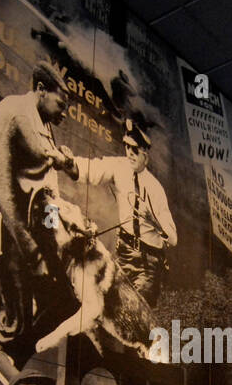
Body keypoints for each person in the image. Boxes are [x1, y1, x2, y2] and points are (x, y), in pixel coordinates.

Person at [0, 63, 79, 350]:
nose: (64, 113)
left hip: (40, 232)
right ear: (40, 90)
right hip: (15, 232)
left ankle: (8, 370)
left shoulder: (44, 123)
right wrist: (31, 249)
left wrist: (56, 237)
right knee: (15, 324)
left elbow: (47, 187)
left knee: (65, 304)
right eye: (61, 104)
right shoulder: (12, 112)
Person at [74, 120, 177, 306]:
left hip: (147, 263)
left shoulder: (155, 189)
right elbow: (91, 170)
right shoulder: (119, 167)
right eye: (127, 147)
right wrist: (66, 162)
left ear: (145, 154)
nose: (129, 153)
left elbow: (172, 238)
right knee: (107, 304)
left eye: (135, 149)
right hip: (123, 253)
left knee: (135, 312)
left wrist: (153, 221)